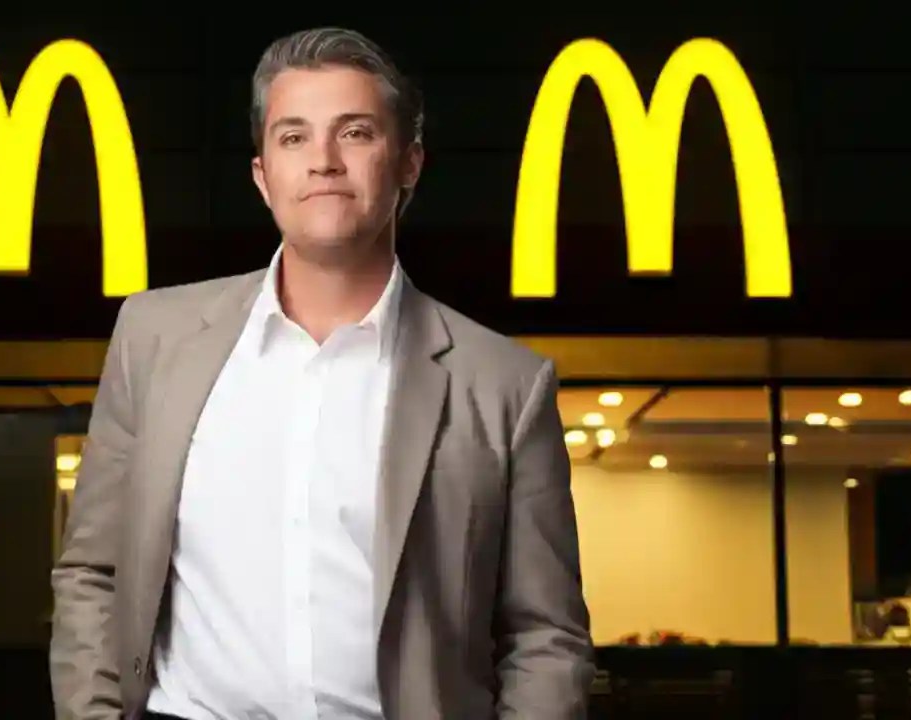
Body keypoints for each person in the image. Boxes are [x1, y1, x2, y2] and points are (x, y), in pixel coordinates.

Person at [50, 26, 594, 720]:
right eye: (294, 137)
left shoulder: (505, 386)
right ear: (262, 174)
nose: (324, 161)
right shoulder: (154, 339)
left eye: (357, 132)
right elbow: (93, 571)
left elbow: (545, 637)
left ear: (409, 163)